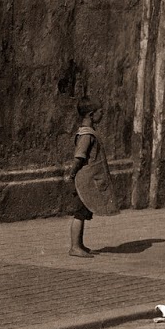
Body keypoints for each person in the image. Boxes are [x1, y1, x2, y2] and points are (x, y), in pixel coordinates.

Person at [64, 97, 113, 258]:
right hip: (83, 180)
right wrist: (71, 175)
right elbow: (79, 157)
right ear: (92, 114)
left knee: (84, 212)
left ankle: (80, 244)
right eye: (100, 112)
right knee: (79, 213)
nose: (102, 115)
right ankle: (74, 247)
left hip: (86, 180)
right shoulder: (86, 135)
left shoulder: (89, 133)